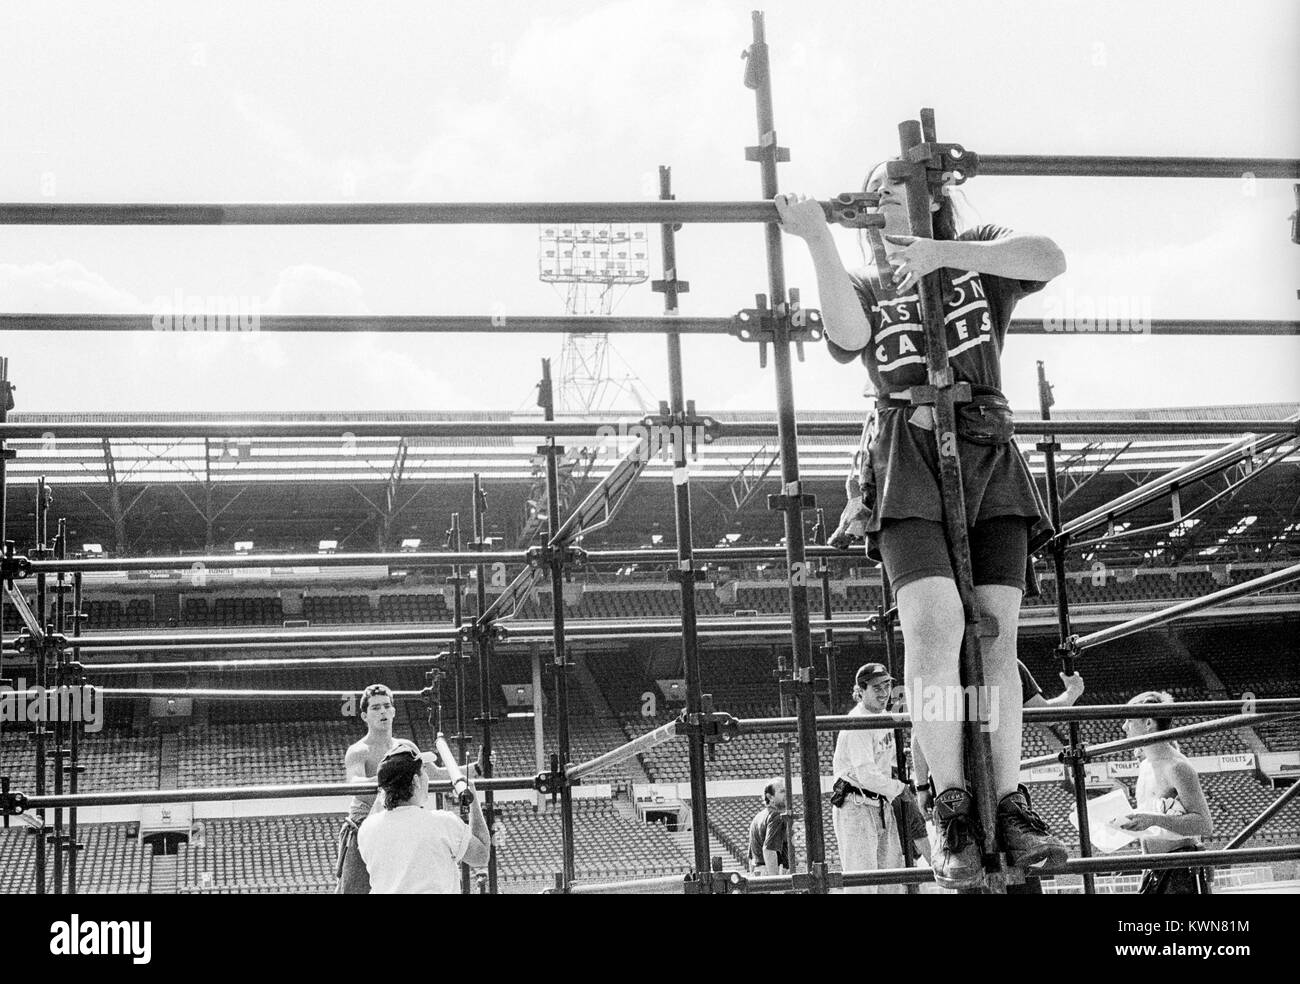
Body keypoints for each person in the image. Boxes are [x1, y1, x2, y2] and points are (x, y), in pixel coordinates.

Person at [777, 166, 1069, 890]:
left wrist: (945, 256)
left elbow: (1049, 257)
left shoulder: (976, 250)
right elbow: (849, 338)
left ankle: (1011, 804)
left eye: (891, 184)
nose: (876, 198)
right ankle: (952, 808)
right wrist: (815, 238)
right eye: (872, 191)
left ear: (929, 193)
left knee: (996, 634)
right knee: (934, 626)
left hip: (987, 450)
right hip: (908, 457)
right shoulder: (872, 280)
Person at [336, 682, 479, 894]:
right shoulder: (359, 751)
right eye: (375, 708)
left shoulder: (406, 746)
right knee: (353, 890)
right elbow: (355, 786)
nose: (382, 711)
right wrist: (391, 775)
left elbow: (436, 773)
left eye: (386, 706)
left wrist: (475, 768)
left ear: (394, 711)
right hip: (365, 824)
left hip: (402, 820)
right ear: (364, 716)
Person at [358, 740, 492, 894]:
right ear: (416, 781)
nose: (428, 778)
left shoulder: (367, 829)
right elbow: (481, 856)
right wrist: (473, 799)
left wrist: (386, 790)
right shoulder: (443, 823)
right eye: (424, 771)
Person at [1113, 691, 1214, 894]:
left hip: (1180, 872)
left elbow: (1204, 824)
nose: (1124, 727)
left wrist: (1153, 819)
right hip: (1153, 868)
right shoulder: (1145, 765)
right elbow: (1150, 820)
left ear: (1148, 723)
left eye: (1129, 721)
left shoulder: (1176, 767)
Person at [831, 663, 908, 894]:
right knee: (863, 885)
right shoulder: (858, 720)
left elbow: (887, 759)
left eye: (887, 685)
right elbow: (866, 773)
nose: (884, 693)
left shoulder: (883, 717)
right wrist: (900, 788)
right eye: (876, 688)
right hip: (857, 804)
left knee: (892, 882)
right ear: (861, 690)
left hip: (880, 804)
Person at [748, 778, 792, 875]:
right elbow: (769, 850)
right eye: (782, 792)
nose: (787, 795)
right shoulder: (776, 816)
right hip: (771, 872)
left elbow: (751, 857)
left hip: (759, 872)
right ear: (770, 797)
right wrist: (775, 883)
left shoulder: (757, 817)